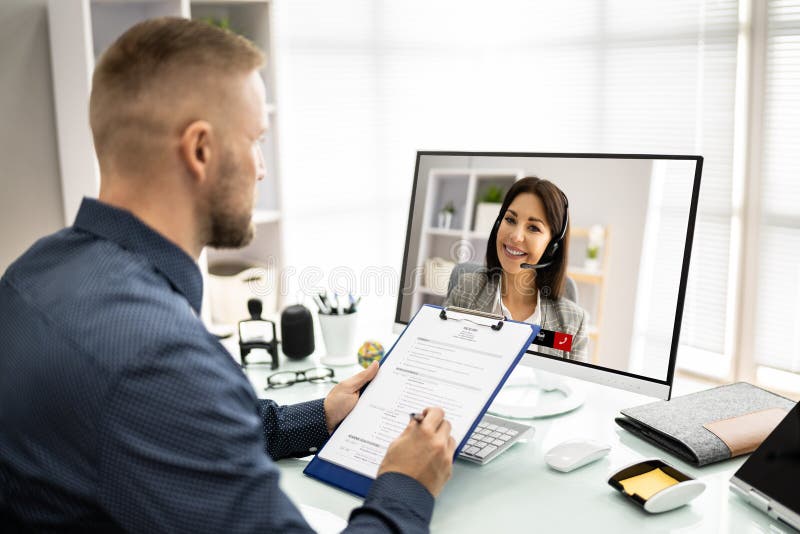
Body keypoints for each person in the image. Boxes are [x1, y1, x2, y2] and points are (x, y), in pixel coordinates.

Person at [0, 18, 455, 532]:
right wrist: (407, 484)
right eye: (255, 140)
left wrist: (320, 414)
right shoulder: (154, 355)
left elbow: (164, 432)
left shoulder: (35, 270)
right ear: (200, 150)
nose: (262, 169)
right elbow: (161, 398)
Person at [444, 177, 589, 362]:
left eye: (533, 228)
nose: (515, 236)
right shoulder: (466, 291)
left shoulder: (573, 323)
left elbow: (570, 388)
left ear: (552, 245)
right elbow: (440, 358)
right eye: (510, 219)